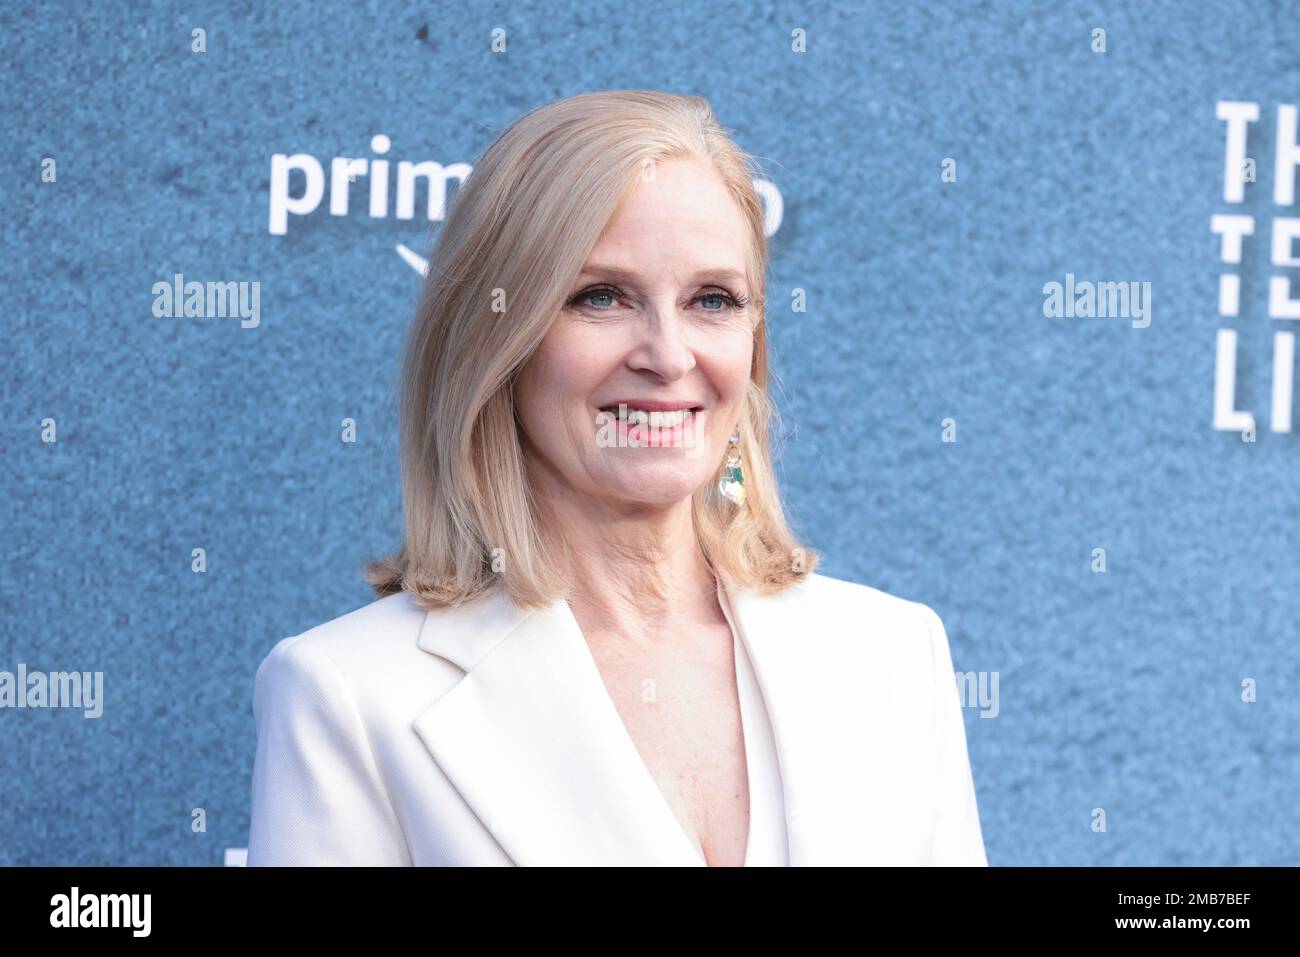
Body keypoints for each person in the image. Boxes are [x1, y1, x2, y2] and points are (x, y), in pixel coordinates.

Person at [246, 90, 987, 866]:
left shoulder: (894, 655)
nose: (668, 356)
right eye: (600, 296)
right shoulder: (350, 695)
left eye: (712, 299)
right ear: (496, 342)